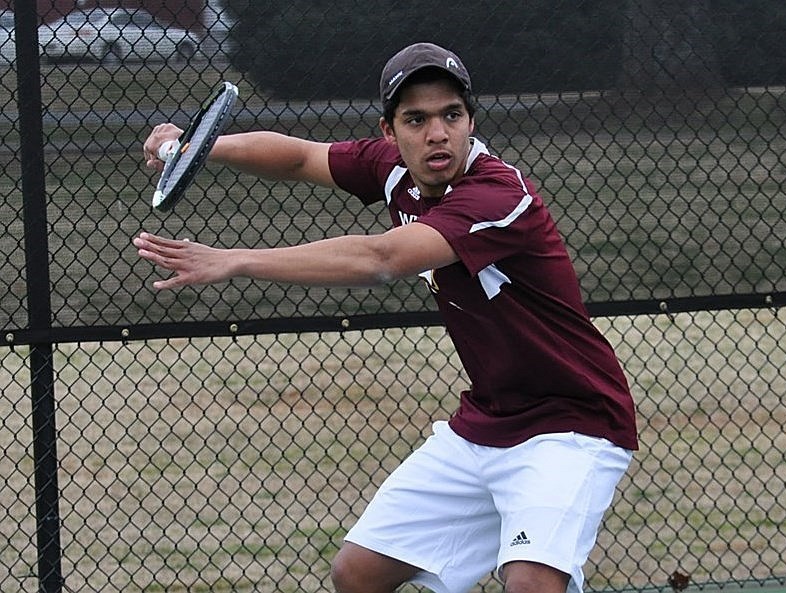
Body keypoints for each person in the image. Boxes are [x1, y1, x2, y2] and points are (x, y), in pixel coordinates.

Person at [136, 42, 638, 593]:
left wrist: (234, 259)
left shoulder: (497, 195)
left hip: (571, 424)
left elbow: (383, 260)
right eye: (416, 120)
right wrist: (200, 147)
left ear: (471, 121)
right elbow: (300, 156)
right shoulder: (393, 170)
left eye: (451, 115)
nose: (437, 133)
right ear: (389, 131)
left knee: (531, 585)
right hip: (487, 422)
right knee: (357, 573)